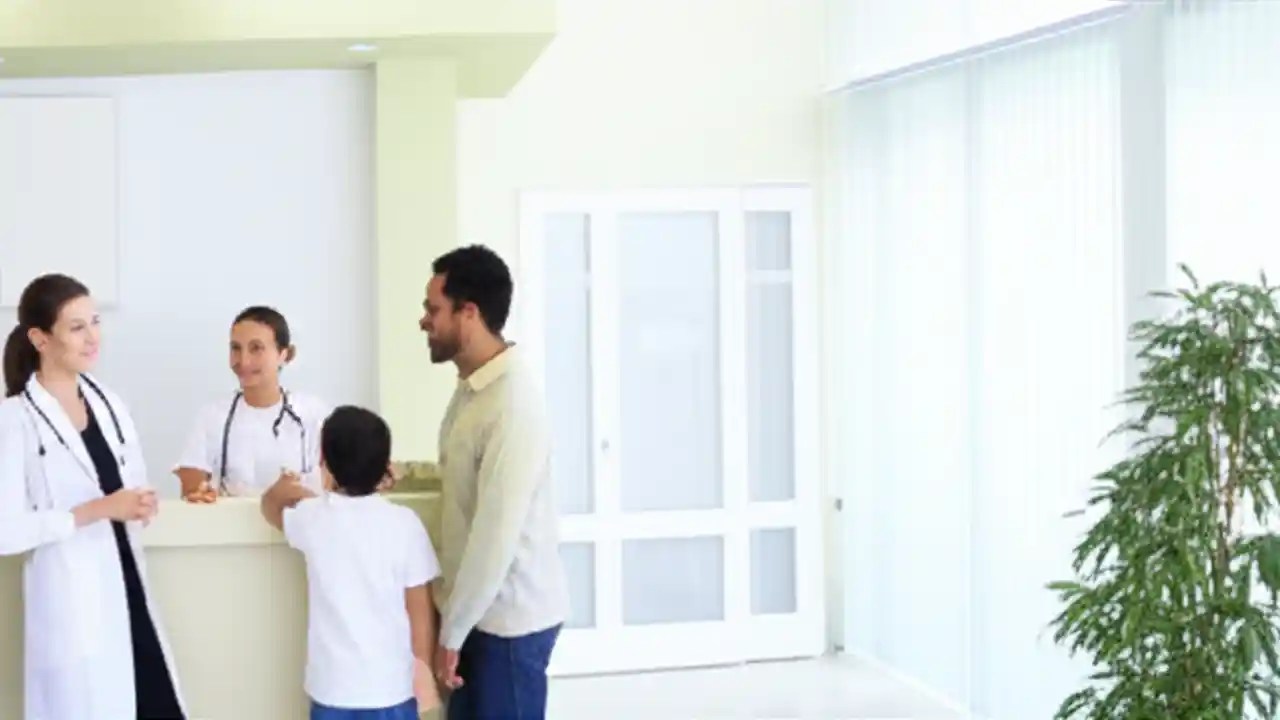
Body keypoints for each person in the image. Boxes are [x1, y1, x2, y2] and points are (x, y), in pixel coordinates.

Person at [0, 273, 186, 719]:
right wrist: (96, 510)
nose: (93, 338)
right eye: (77, 327)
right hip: (73, 606)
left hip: (129, 586)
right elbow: (5, 532)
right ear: (40, 339)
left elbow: (131, 481)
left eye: (95, 322)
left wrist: (141, 503)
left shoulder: (109, 404)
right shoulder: (15, 419)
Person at [419, 244, 568, 720]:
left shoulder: (512, 404)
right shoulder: (472, 389)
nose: (424, 321)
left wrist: (451, 634)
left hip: (507, 628)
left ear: (469, 313)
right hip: (475, 620)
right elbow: (460, 474)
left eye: (433, 310)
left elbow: (494, 537)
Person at [260, 405, 441, 720]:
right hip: (392, 687)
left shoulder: (313, 518)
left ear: (324, 462)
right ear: (385, 467)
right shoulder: (404, 523)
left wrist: (284, 488)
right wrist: (422, 668)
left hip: (333, 688)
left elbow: (270, 507)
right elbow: (419, 608)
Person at [174, 306, 332, 501]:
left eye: (256, 348)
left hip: (296, 519)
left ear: (283, 354)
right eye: (236, 348)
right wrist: (198, 491)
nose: (244, 361)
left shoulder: (313, 414)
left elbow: (336, 483)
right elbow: (191, 479)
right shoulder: (212, 415)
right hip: (230, 520)